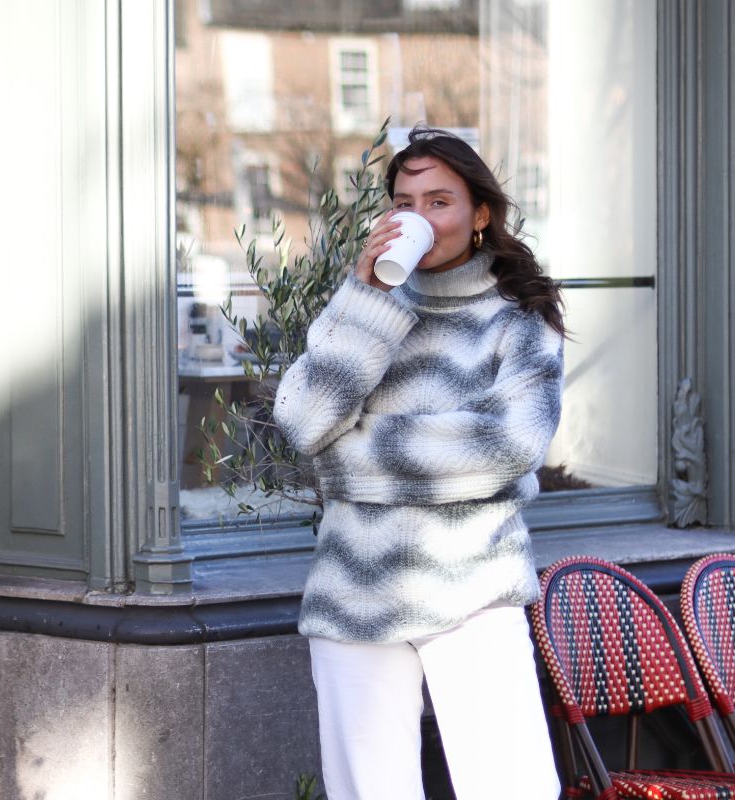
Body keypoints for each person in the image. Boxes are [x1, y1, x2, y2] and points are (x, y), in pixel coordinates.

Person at [275, 128, 565, 799]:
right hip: (354, 589)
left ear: (480, 214)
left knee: (512, 788)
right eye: (405, 202)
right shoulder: (364, 305)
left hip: (474, 586)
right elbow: (302, 421)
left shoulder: (520, 314)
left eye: (439, 201)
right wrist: (366, 294)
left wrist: (348, 461)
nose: (420, 217)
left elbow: (510, 445)